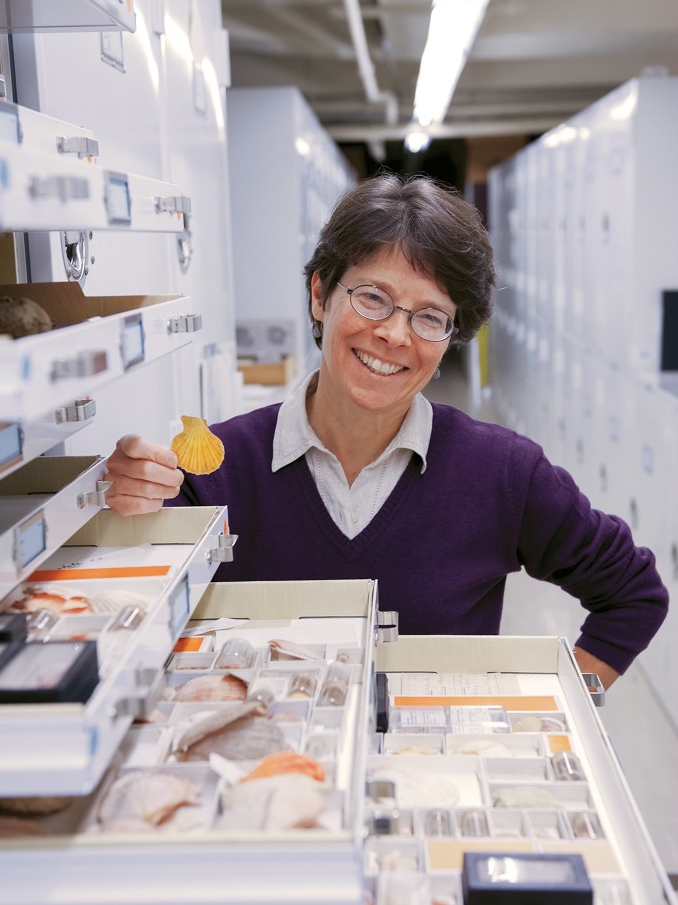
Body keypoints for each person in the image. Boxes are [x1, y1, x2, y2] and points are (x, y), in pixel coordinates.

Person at [104, 172, 669, 691]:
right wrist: (121, 505)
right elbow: (125, 610)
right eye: (373, 298)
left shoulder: (503, 473)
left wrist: (547, 709)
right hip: (272, 777)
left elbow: (634, 594)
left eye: (429, 316)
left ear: (450, 337)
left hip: (436, 781)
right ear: (320, 296)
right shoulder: (218, 470)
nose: (395, 335)